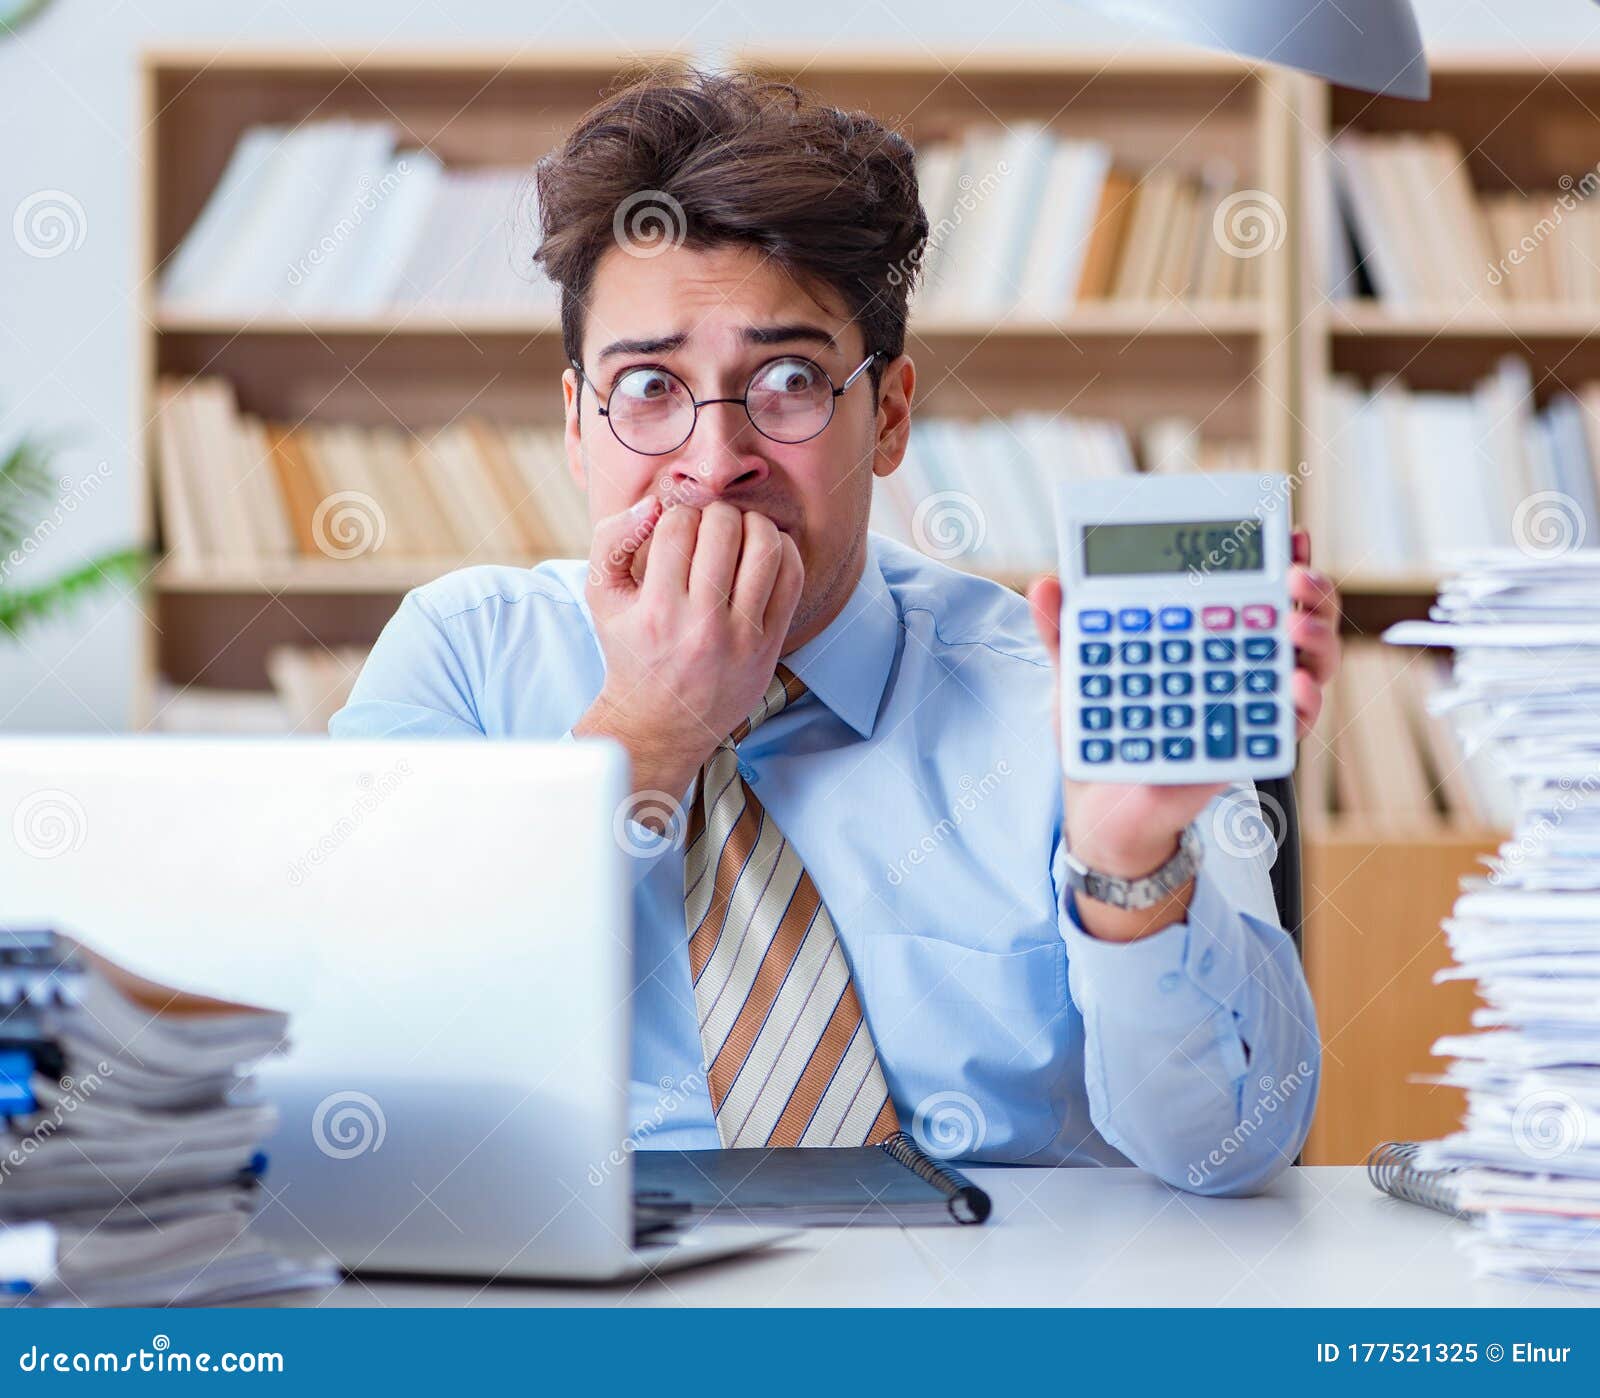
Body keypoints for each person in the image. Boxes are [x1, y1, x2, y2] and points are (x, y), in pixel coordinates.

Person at [331, 64, 1342, 1194]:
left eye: (787, 380)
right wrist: (650, 731)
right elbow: (353, 1051)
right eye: (650, 388)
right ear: (578, 427)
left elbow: (1232, 1155)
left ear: (890, 414)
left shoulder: (1047, 695)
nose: (715, 463)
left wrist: (1127, 866)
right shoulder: (465, 659)